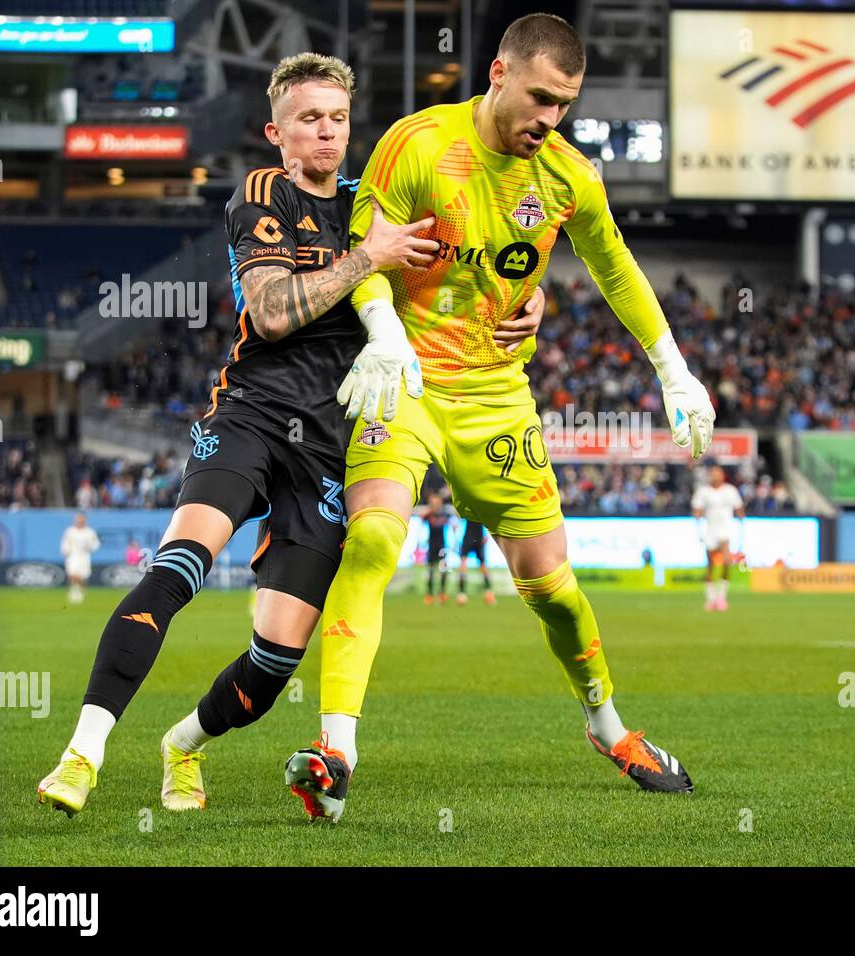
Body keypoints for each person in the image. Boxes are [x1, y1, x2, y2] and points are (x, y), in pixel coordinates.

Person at [36, 52, 544, 818]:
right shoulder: (264, 194)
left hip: (331, 450)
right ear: (278, 132)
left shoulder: (377, 205)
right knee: (181, 565)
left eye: (338, 118)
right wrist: (365, 259)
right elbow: (271, 311)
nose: (328, 133)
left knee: (275, 661)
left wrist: (531, 305)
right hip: (253, 415)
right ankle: (83, 751)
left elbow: (472, 280)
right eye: (310, 119)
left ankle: (181, 745)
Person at [285, 13, 715, 822]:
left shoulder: (567, 177)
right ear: (498, 74)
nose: (551, 120)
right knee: (374, 538)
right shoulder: (416, 143)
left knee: (550, 586)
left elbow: (616, 268)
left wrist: (673, 369)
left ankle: (609, 727)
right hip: (403, 378)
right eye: (542, 98)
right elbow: (367, 252)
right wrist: (380, 330)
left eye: (567, 105)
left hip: (494, 392)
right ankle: (335, 750)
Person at [692, 465, 744, 612]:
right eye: (713, 473)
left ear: (723, 475)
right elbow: (697, 509)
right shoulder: (703, 492)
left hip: (725, 530)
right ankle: (710, 598)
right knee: (710, 564)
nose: (715, 476)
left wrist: (741, 520)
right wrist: (697, 518)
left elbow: (739, 509)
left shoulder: (730, 491)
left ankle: (722, 596)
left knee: (727, 561)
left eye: (718, 473)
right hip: (710, 530)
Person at [418, 491, 454, 605]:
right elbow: (421, 518)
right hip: (432, 546)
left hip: (442, 547)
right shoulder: (429, 514)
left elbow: (453, 523)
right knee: (431, 571)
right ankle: (429, 594)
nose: (435, 504)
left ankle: (442, 593)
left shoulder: (444, 514)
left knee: (444, 570)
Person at [60, 512, 100, 605]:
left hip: (84, 557)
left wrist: (90, 547)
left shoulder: (89, 532)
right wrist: (65, 550)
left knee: (83, 576)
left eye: (82, 518)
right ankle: (74, 590)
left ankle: (80, 592)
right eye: (78, 518)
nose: (80, 520)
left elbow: (95, 544)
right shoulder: (70, 531)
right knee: (72, 574)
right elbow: (65, 543)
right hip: (73, 556)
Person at [456, 517, 495, 606]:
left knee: (466, 563)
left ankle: (462, 593)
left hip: (473, 537)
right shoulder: (480, 508)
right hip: (475, 537)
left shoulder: (468, 507)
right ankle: (488, 591)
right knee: (480, 564)